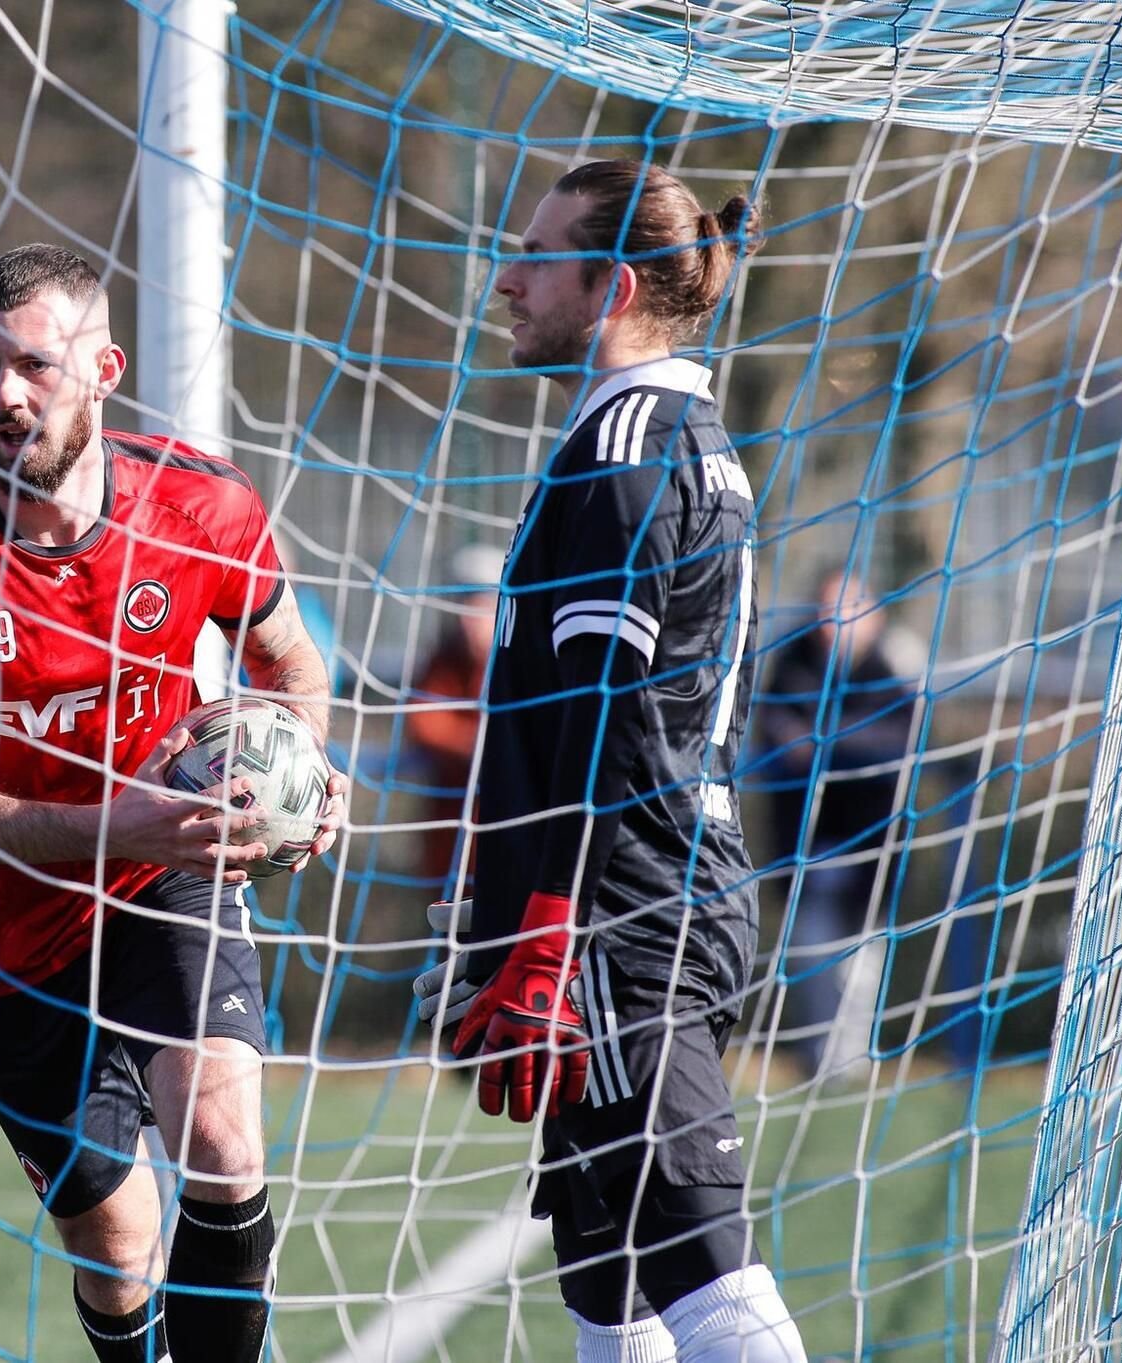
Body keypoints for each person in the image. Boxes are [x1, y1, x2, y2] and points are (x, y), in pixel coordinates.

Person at [0, 243, 345, 1363]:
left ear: (103, 367)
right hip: (2, 930)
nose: (3, 395)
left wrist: (301, 775)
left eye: (32, 365)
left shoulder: (202, 503)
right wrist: (104, 827)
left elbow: (294, 670)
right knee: (117, 1236)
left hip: (166, 869)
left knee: (223, 1143)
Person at [416, 160, 808, 1362]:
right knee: (610, 1288)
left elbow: (607, 718)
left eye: (534, 257)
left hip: (624, 920)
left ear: (613, 284)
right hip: (622, 905)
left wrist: (543, 926)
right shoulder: (642, 434)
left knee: (714, 1290)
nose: (506, 279)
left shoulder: (626, 454)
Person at [753, 571, 916, 1081]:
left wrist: (823, 743)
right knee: (810, 953)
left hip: (870, 841)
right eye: (827, 609)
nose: (834, 622)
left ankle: (851, 1059)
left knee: (860, 965)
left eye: (847, 609)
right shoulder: (793, 662)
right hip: (805, 840)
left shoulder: (892, 667)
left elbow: (896, 736)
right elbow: (773, 724)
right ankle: (824, 1060)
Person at [404, 542, 502, 888]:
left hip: (510, 853)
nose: (467, 619)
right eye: (462, 605)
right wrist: (480, 744)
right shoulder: (445, 662)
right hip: (450, 857)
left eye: (479, 606)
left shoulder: (526, 666)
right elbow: (424, 723)